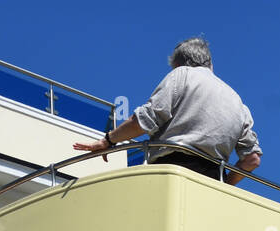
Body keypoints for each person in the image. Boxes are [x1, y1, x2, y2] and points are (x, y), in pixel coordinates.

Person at [73, 38, 261, 184]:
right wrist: (225, 183)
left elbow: (145, 121)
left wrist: (107, 140)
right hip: (212, 181)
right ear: (210, 64)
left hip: (170, 170)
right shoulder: (238, 103)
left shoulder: (182, 74)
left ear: (180, 64)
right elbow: (252, 159)